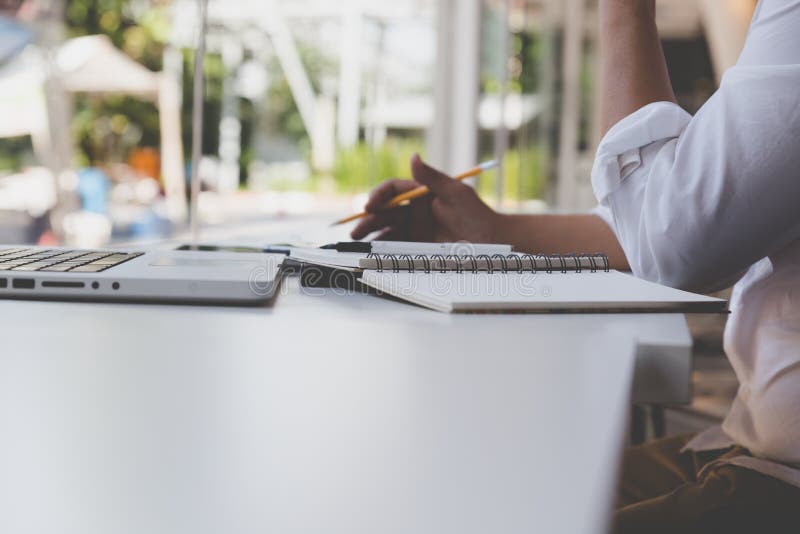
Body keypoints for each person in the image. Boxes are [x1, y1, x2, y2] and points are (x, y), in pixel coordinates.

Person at [352, 0, 800, 531]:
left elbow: (668, 244)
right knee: (477, 494)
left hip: (780, 476)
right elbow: (666, 233)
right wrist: (490, 233)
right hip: (748, 440)